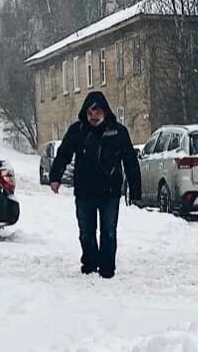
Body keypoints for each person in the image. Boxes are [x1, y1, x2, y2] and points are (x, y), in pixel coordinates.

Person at [49, 91, 140, 278]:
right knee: (86, 232)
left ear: (105, 112)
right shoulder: (78, 131)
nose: (94, 117)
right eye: (90, 113)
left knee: (108, 232)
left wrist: (135, 188)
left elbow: (130, 161)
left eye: (97, 113)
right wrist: (55, 177)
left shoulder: (118, 132)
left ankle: (107, 268)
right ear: (86, 113)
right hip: (85, 191)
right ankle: (89, 264)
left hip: (110, 191)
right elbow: (63, 154)